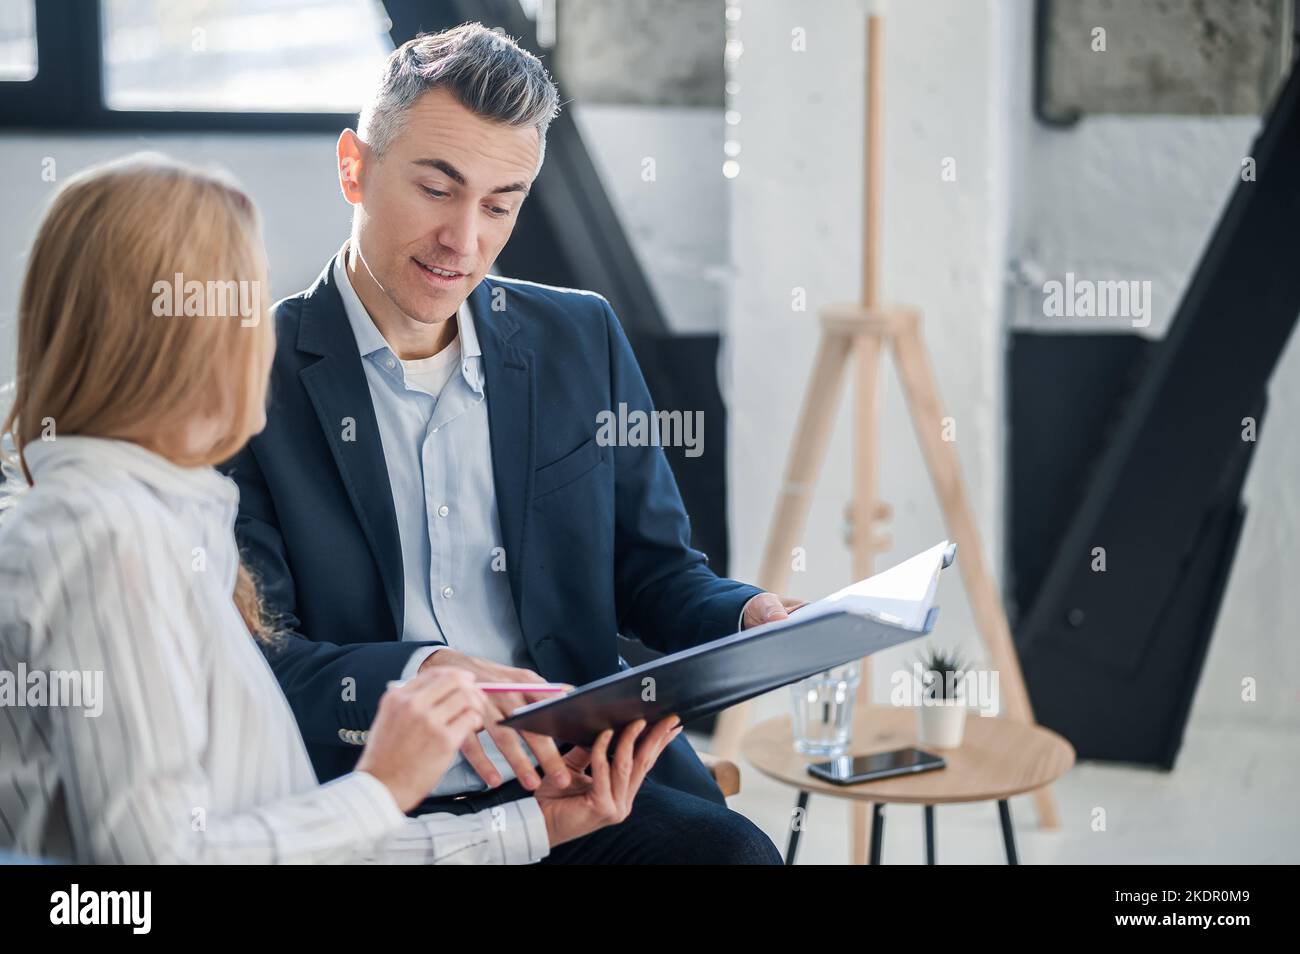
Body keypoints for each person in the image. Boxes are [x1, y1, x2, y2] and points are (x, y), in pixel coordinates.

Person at [0, 154, 678, 864]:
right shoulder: (105, 539)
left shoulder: (158, 520)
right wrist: (383, 784)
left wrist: (530, 828)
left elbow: (285, 843)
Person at [222, 22, 794, 864]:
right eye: (436, 189)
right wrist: (423, 672)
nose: (465, 241)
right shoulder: (245, 381)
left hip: (585, 781)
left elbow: (654, 570)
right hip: (379, 803)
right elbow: (260, 661)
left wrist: (746, 616)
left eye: (501, 203)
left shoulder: (579, 336)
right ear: (355, 167)